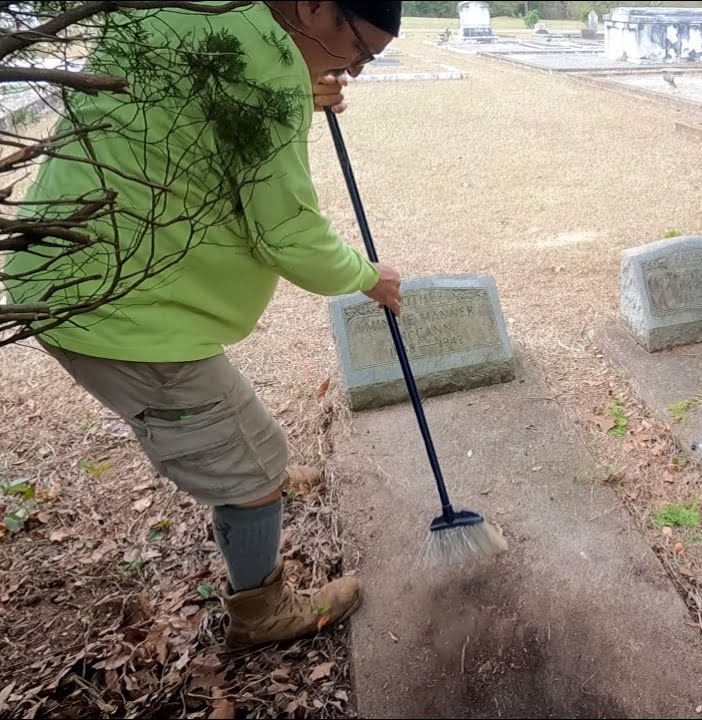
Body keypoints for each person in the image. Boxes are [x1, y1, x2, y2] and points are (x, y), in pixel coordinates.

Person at [3, 1, 404, 649]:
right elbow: (288, 234)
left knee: (246, 447)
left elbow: (193, 88)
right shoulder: (267, 74)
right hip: (124, 310)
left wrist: (296, 87)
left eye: (364, 64)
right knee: (255, 464)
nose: (352, 71)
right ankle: (259, 608)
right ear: (313, 6)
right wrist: (368, 276)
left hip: (68, 265)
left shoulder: (196, 6)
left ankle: (249, 482)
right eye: (357, 49)